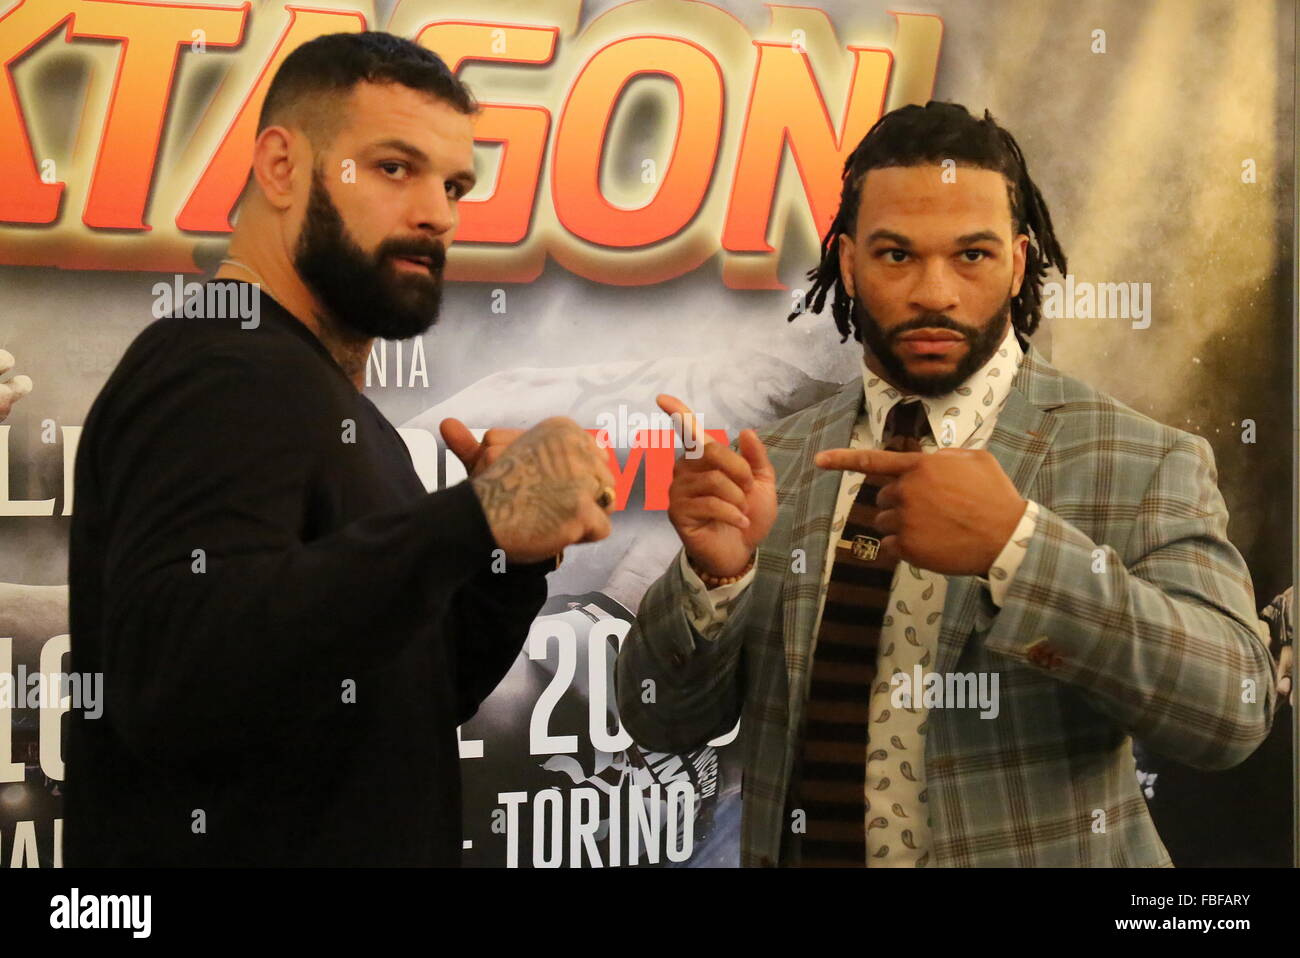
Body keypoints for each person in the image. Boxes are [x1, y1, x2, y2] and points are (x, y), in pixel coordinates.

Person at [615, 101, 1277, 867]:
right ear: (851, 263)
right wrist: (714, 578)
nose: (935, 292)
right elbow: (658, 721)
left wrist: (1020, 550)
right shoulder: (780, 459)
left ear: (1020, 263)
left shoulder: (1139, 458)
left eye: (972, 255)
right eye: (898, 256)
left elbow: (1233, 710)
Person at [64, 31, 616, 866]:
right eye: (395, 168)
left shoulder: (328, 405)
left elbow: (411, 696)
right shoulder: (221, 365)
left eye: (455, 184)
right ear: (282, 167)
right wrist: (472, 520)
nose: (438, 212)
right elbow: (175, 682)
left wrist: (508, 558)